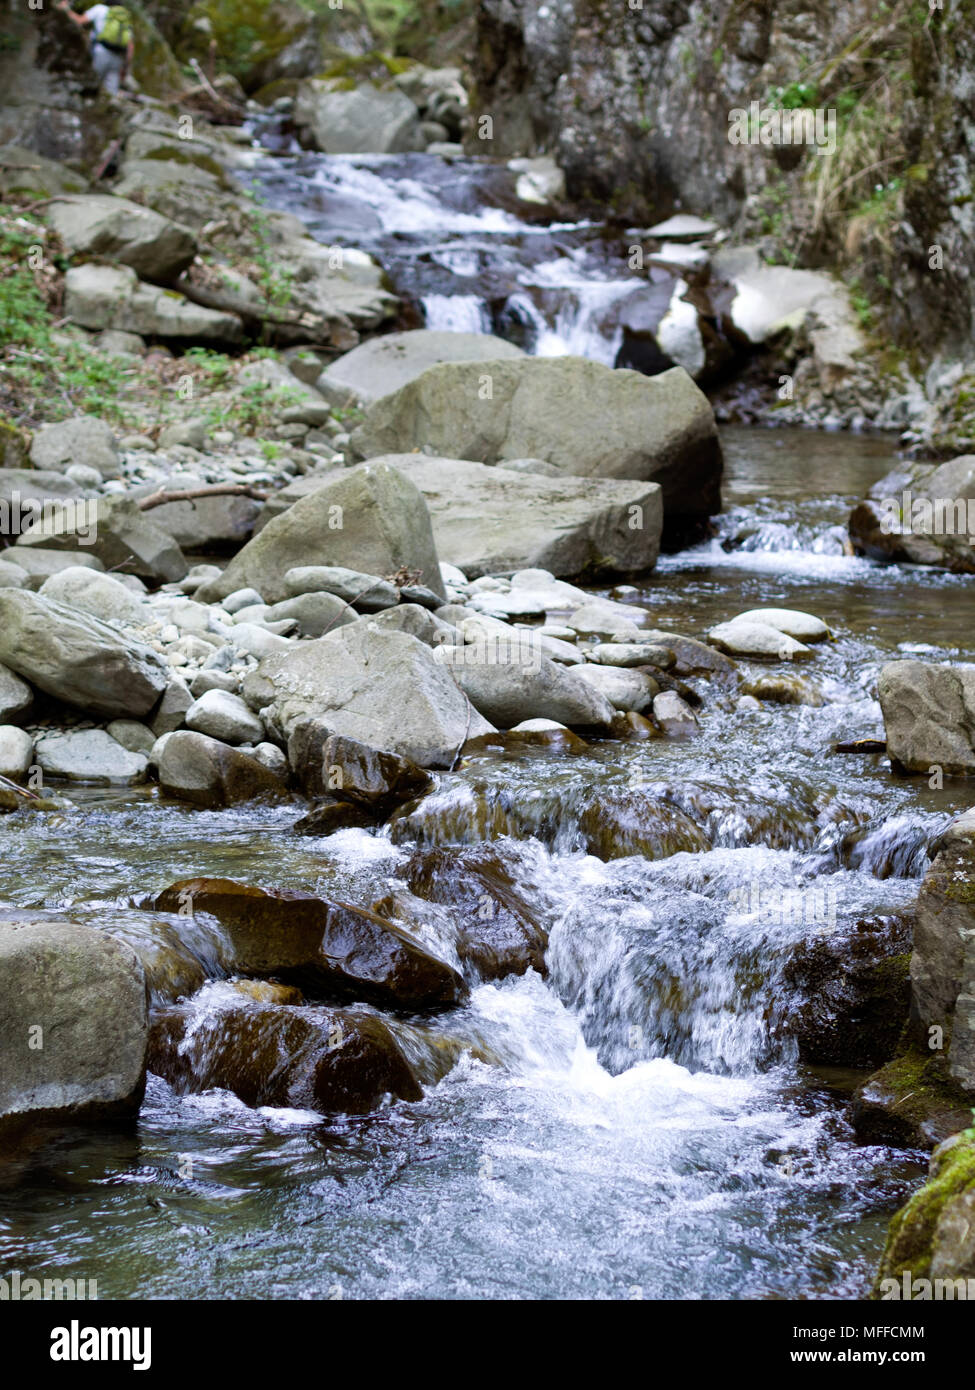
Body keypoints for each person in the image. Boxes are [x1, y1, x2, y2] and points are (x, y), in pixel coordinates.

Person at [57, 2, 134, 97]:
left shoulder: (100, 9)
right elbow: (130, 46)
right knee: (111, 92)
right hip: (118, 58)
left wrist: (66, 9)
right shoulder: (123, 17)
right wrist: (125, 67)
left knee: (90, 82)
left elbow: (79, 20)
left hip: (101, 52)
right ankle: (107, 108)